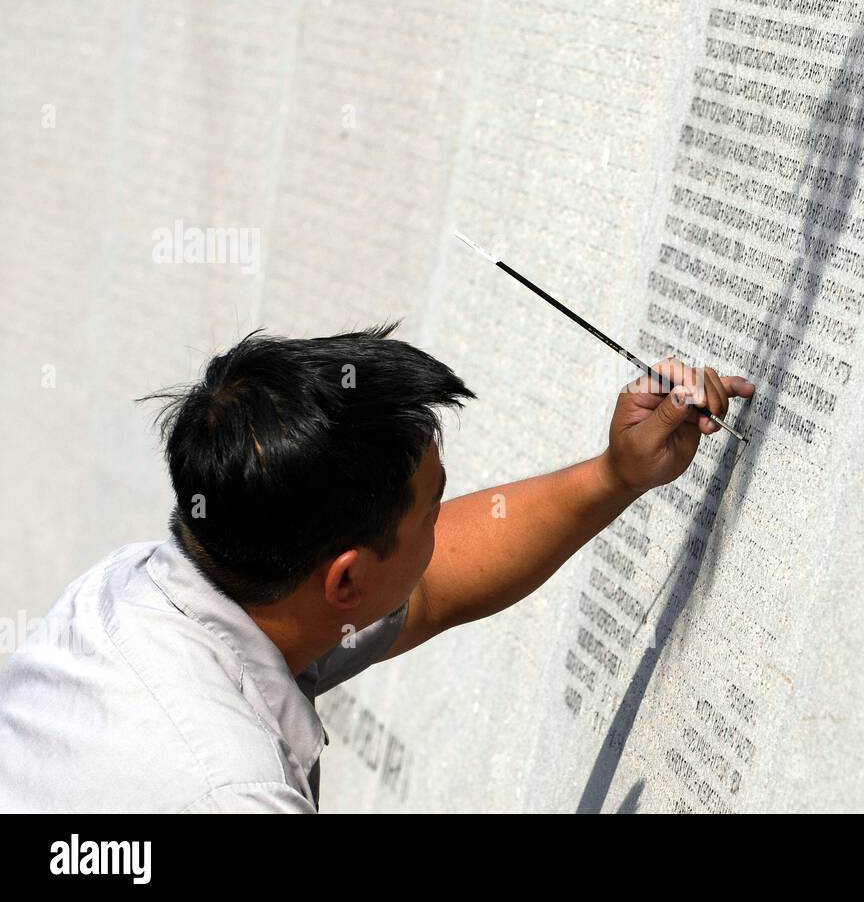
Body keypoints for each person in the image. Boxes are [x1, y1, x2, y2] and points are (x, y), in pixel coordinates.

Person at [0, 322, 754, 812]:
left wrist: (614, 474)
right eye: (432, 513)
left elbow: (433, 584)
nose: (443, 530)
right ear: (347, 581)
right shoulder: (230, 793)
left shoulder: (145, 588)